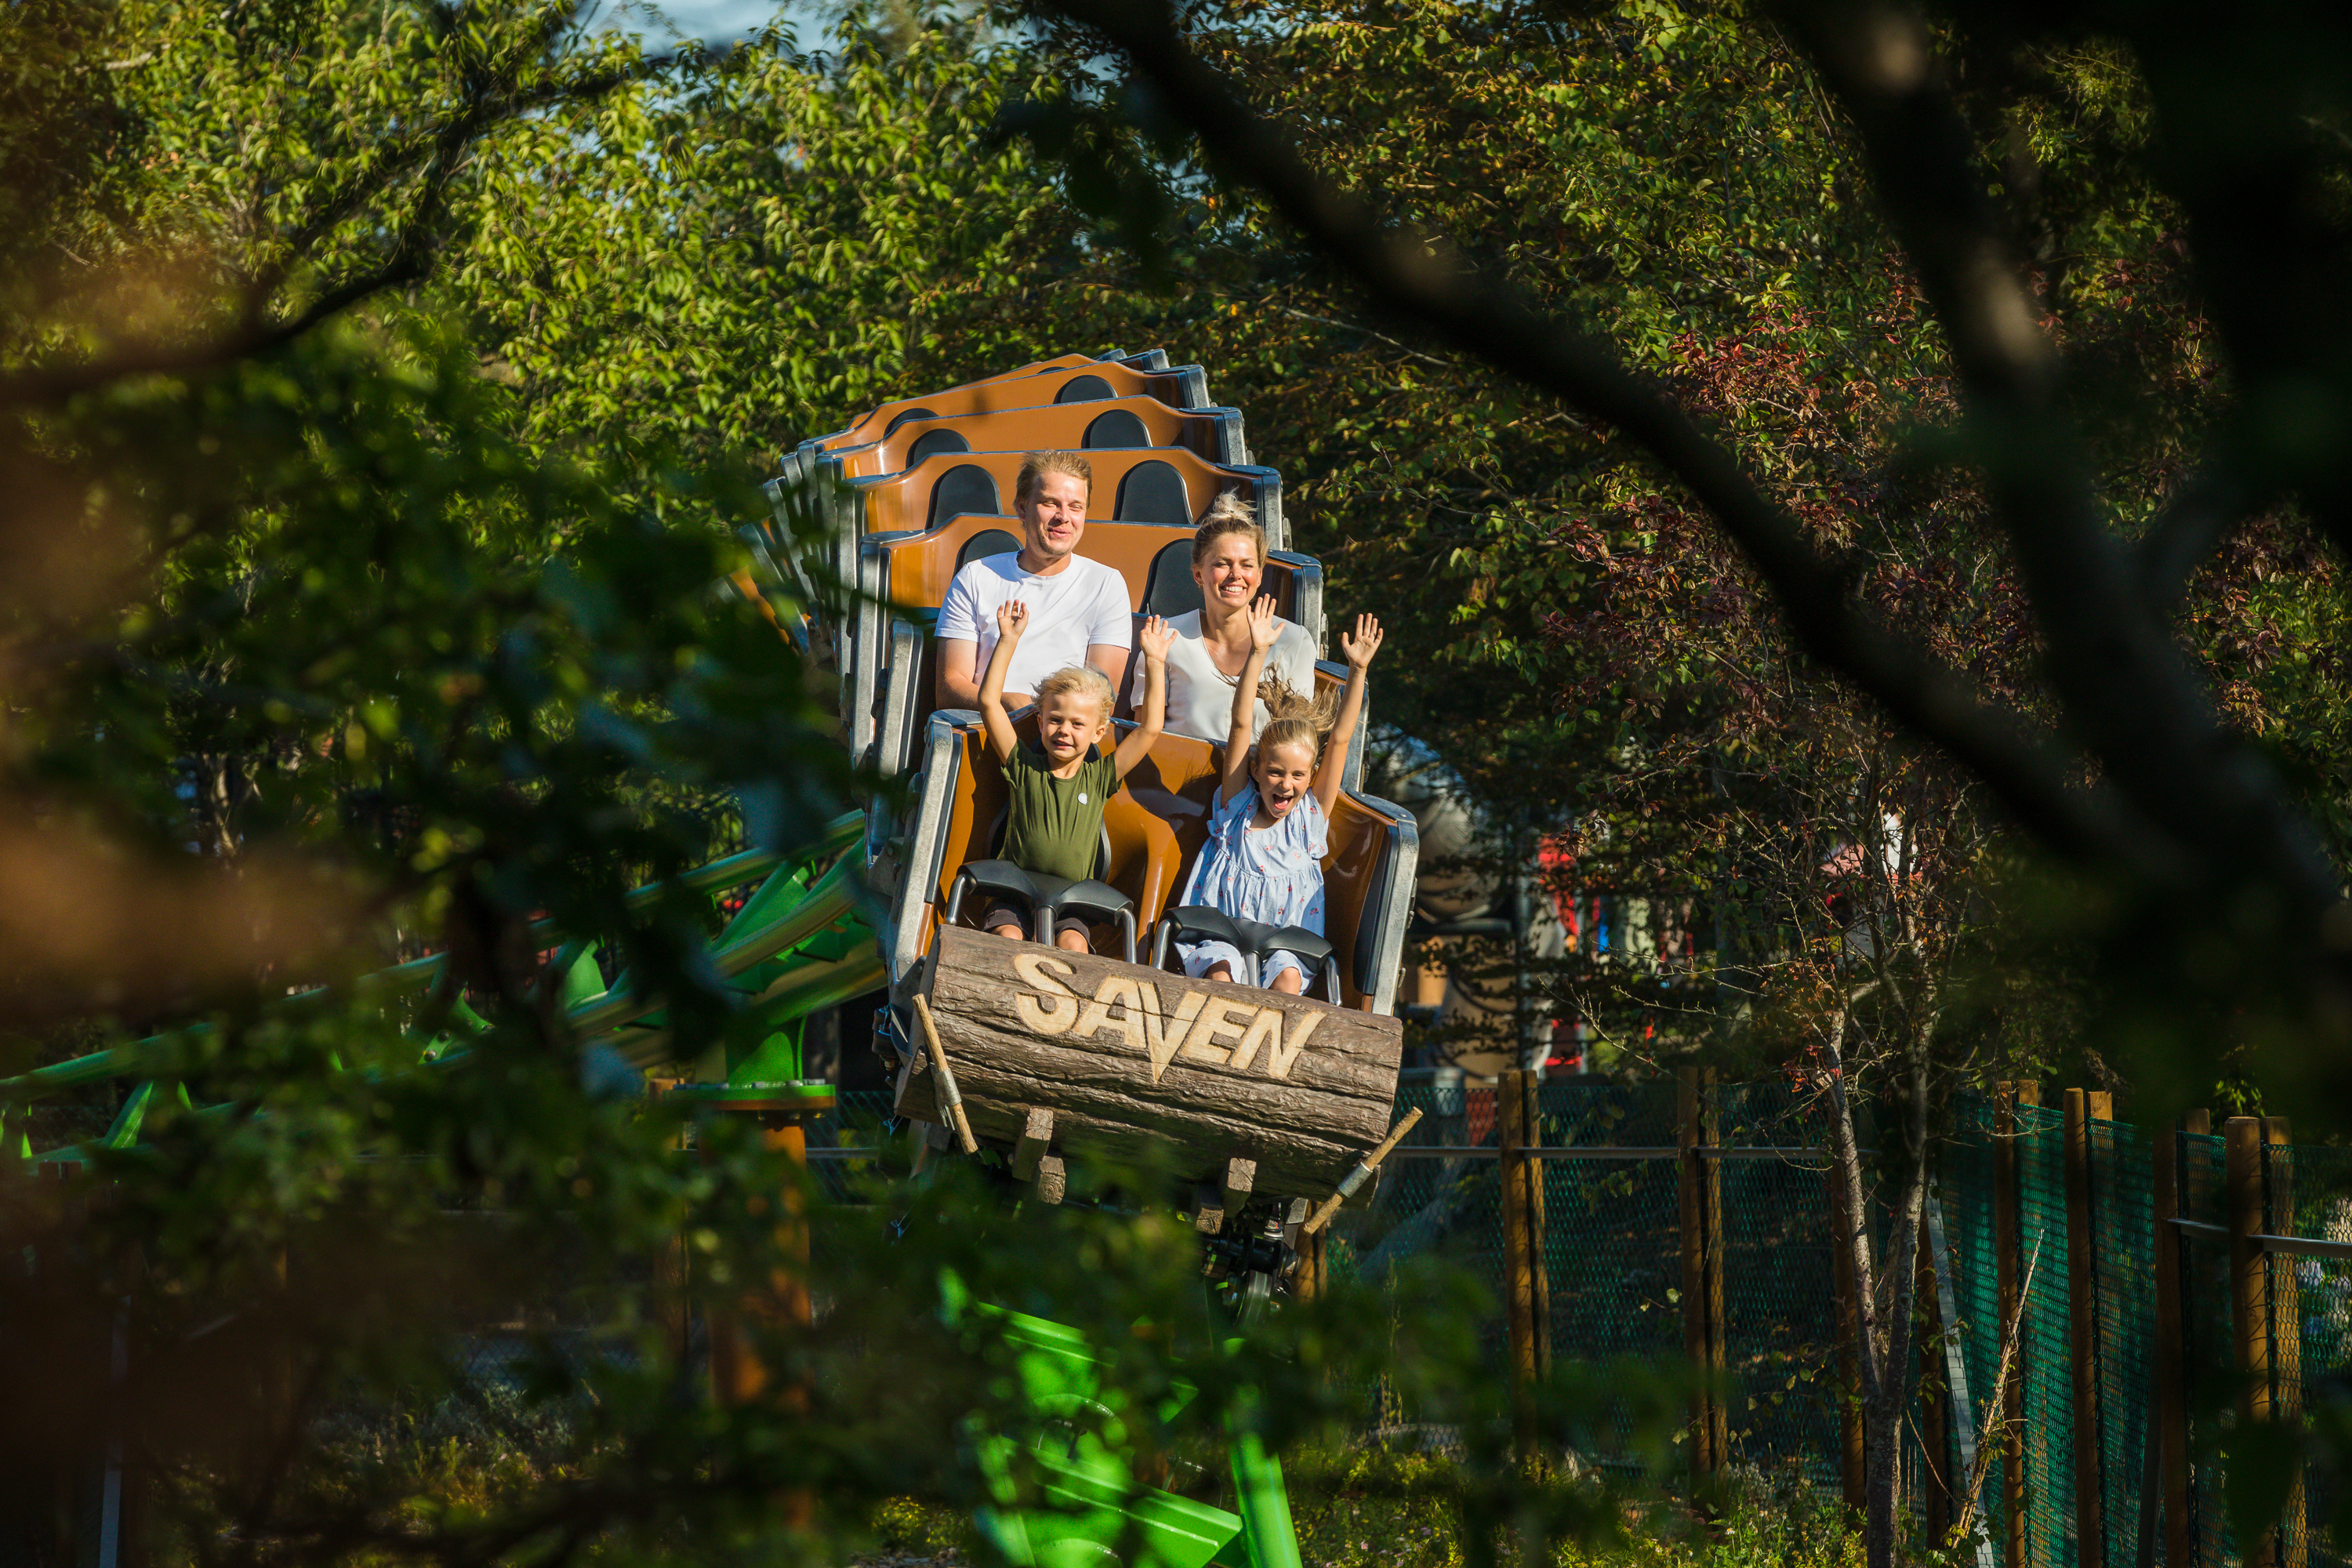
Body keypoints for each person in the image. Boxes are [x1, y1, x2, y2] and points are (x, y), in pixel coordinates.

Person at [1176, 599, 1383, 993]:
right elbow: (1240, 724)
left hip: (1284, 942)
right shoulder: (1237, 807)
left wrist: (1358, 671)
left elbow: (1340, 739)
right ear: (1256, 770)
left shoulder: (1309, 817)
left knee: (1287, 980)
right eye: (1274, 772)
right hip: (1222, 931)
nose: (1285, 784)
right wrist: (1257, 653)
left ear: (1310, 778)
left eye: (1297, 776)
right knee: (1222, 970)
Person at [977, 598, 1174, 952]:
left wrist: (1155, 662)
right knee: (1009, 939)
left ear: (1098, 732)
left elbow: (1150, 729)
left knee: (1073, 947)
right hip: (1015, 893)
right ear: (1040, 723)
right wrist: (1007, 640)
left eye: (1077, 724)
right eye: (1055, 720)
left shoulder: (1099, 778)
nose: (1063, 731)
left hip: (1070, 901)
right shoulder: (1024, 766)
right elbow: (990, 703)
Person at [937, 452, 1131, 711]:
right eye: (1050, 503)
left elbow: (1101, 697)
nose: (1064, 516)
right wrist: (1007, 703)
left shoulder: (1107, 584)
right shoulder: (975, 577)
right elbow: (950, 686)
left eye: (1075, 507)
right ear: (1022, 507)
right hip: (980, 731)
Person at [1131, 492, 1318, 742]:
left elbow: (1298, 740)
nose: (1236, 574)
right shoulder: (1165, 639)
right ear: (1198, 574)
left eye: (1247, 565)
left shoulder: (1294, 640)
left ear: (1259, 576)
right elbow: (1143, 737)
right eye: (1222, 564)